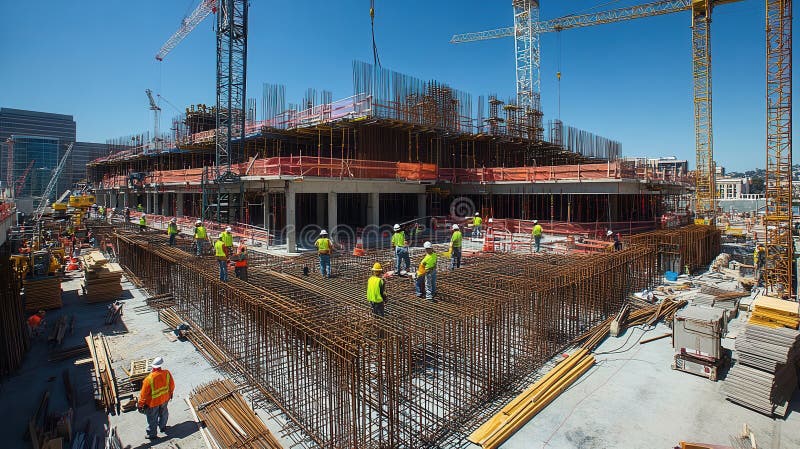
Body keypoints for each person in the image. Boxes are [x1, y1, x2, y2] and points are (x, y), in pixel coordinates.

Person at [138, 356, 175, 440]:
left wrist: (140, 404)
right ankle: (163, 427)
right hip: (165, 399)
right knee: (164, 414)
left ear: (152, 367)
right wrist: (171, 393)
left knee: (152, 419)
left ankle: (152, 434)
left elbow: (143, 394)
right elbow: (172, 385)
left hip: (152, 403)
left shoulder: (149, 379)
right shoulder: (167, 373)